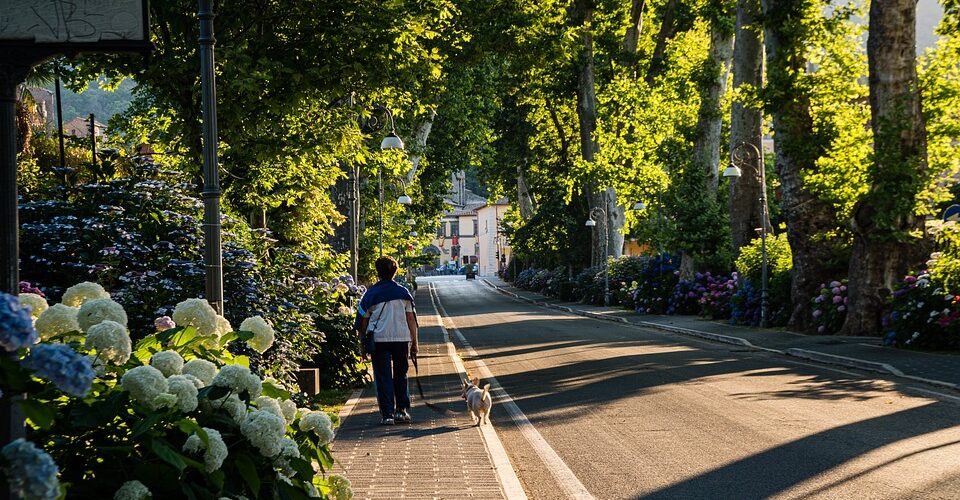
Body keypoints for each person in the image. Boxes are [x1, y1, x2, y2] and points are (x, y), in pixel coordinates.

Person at [355, 256, 419, 425]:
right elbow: (411, 319)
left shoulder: (370, 294)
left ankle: (387, 414)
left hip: (379, 340)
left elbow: (363, 322)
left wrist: (362, 343)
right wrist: (415, 343)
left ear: (378, 272)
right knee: (401, 375)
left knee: (383, 377)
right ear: (394, 272)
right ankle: (401, 410)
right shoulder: (403, 293)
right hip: (401, 339)